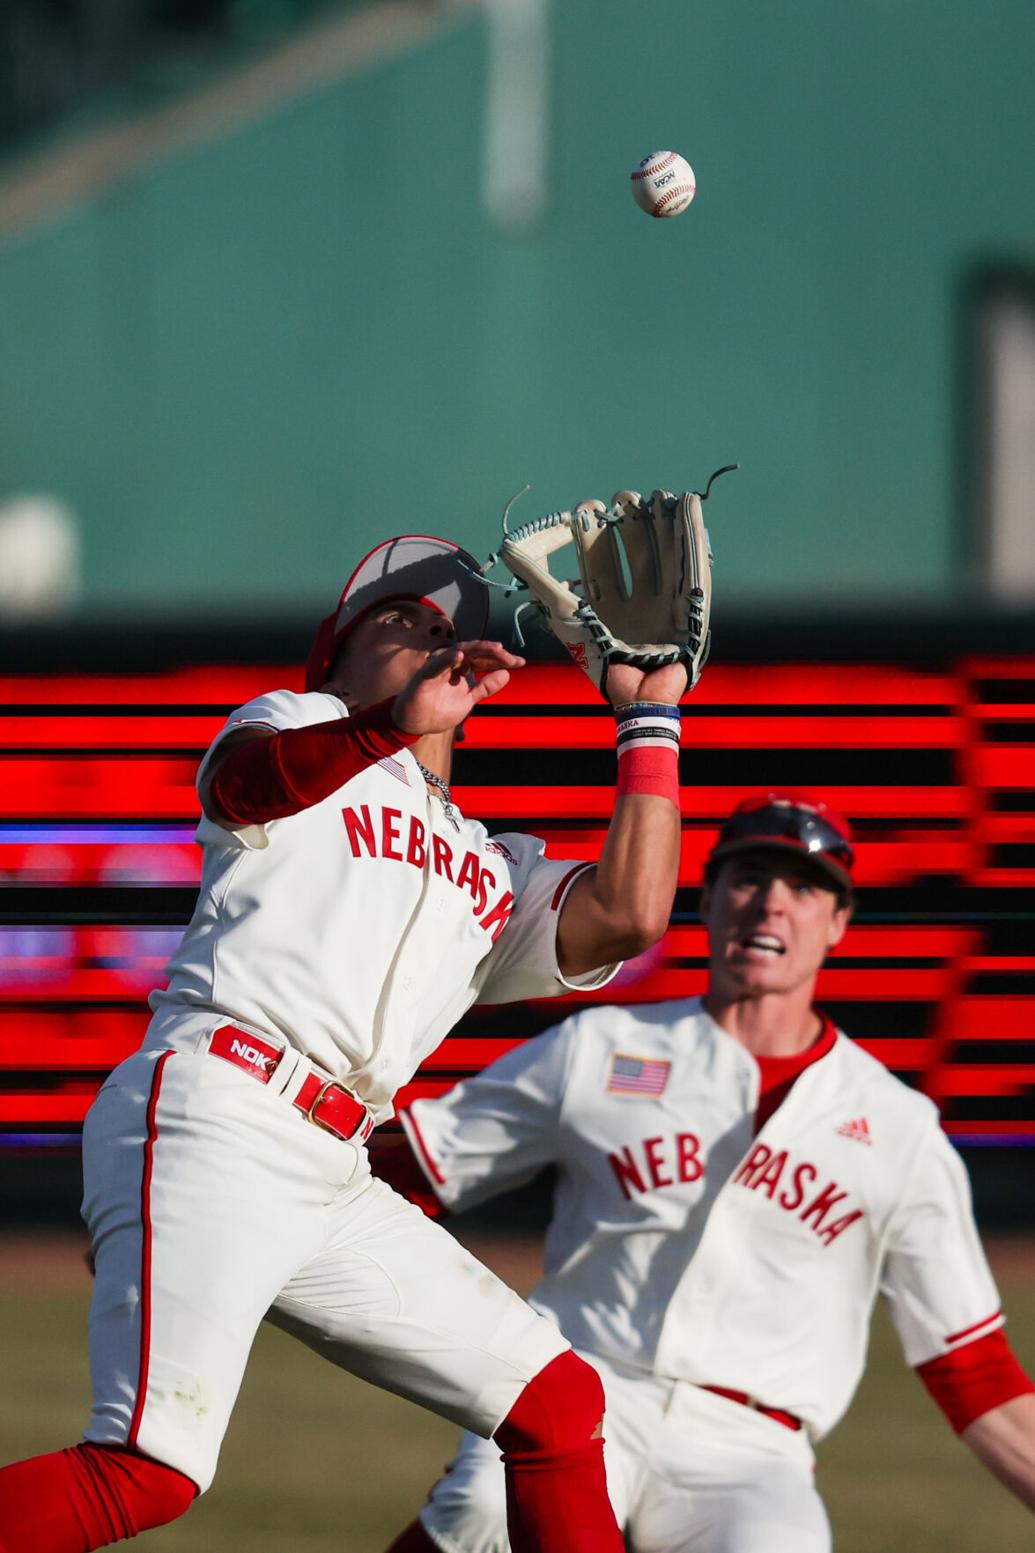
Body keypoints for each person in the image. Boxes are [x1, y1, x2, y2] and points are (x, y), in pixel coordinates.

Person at [0, 532, 692, 1552]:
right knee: (148, 1469)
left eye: (454, 630)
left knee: (556, 1401)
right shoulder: (299, 725)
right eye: (406, 617)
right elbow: (244, 785)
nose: (433, 637)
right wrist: (382, 728)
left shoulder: (489, 862)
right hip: (217, 1111)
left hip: (334, 1166)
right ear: (340, 645)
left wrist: (648, 716)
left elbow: (630, 913)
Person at [374, 792, 1035, 1553]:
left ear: (838, 922)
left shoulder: (897, 1126)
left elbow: (971, 1367)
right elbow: (412, 1170)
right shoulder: (605, 1044)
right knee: (483, 1515)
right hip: (579, 1389)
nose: (770, 905)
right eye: (748, 878)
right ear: (710, 899)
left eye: (803, 886)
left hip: (752, 1446)